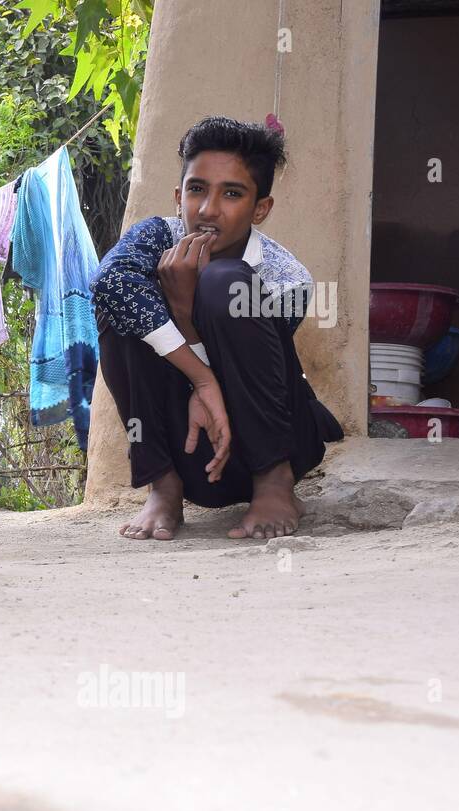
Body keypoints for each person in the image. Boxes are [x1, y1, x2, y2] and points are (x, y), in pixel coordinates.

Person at [92, 115, 342, 541]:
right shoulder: (155, 239)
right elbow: (108, 284)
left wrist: (184, 310)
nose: (208, 210)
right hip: (191, 453)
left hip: (268, 442)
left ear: (260, 208)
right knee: (120, 308)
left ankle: (275, 485)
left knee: (224, 283)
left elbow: (256, 375)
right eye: (196, 190)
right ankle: (163, 487)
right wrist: (200, 379)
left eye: (232, 193)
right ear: (178, 196)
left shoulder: (287, 277)